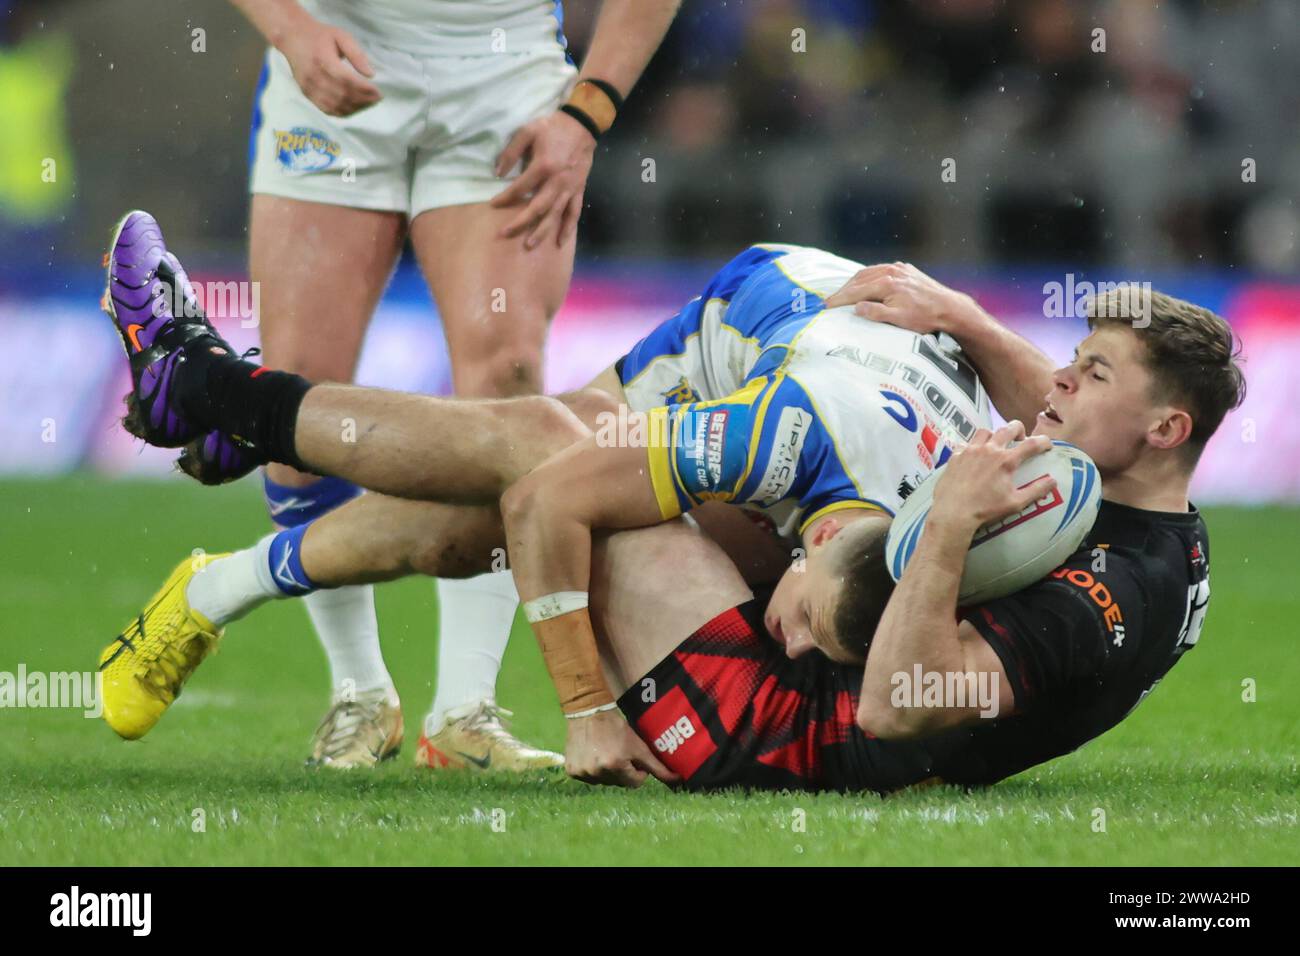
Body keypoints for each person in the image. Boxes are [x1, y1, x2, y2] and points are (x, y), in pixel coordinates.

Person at [97, 213, 1245, 791]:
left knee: (549, 454)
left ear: (1165, 429)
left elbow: (900, 705)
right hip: (809, 628)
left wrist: (586, 707)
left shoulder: (1113, 591)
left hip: (776, 721)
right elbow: (1046, 409)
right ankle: (220, 551)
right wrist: (965, 317)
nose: (1055, 387)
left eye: (1090, 375)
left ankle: (211, 393)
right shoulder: (1131, 499)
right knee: (560, 450)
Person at [207, 0, 682, 770]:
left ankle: (464, 712)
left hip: (501, 77)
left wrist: (586, 112)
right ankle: (359, 692)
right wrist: (292, 30)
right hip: (336, 62)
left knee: (507, 381)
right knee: (295, 402)